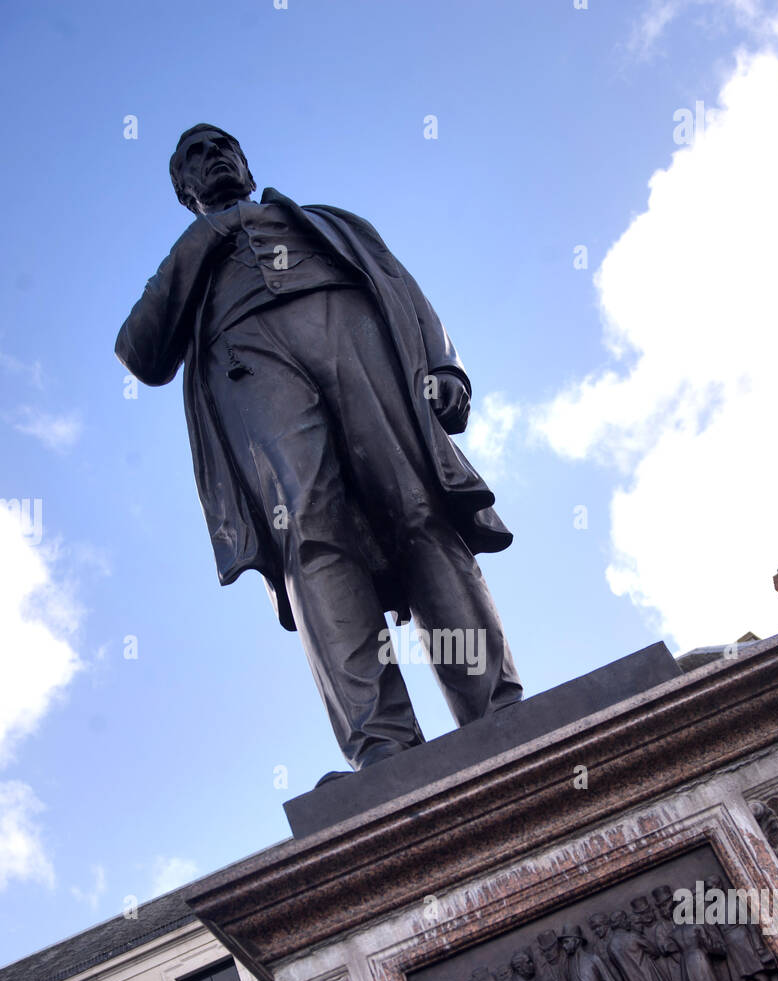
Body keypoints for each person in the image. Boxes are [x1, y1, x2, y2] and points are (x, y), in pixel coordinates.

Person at [116, 125, 522, 774]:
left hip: (354, 337)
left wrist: (445, 366)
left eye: (223, 145)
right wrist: (207, 233)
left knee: (417, 510)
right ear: (183, 189)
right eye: (194, 156)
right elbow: (140, 353)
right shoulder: (193, 255)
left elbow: (399, 285)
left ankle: (499, 712)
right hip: (251, 365)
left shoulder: (330, 223)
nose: (214, 156)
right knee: (311, 534)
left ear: (247, 160)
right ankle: (383, 746)